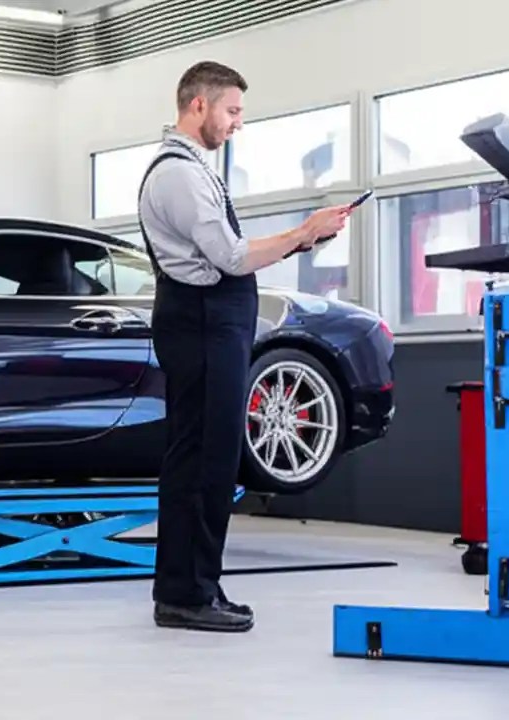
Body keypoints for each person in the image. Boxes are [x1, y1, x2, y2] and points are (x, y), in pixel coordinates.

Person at [137, 61, 351, 633]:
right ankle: (185, 595)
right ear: (198, 106)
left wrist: (302, 240)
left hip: (210, 323)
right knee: (201, 461)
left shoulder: (194, 170)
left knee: (209, 459)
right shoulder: (178, 174)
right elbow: (231, 257)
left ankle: (196, 587)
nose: (237, 124)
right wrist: (303, 232)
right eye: (232, 111)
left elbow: (231, 251)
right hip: (201, 323)